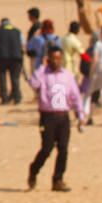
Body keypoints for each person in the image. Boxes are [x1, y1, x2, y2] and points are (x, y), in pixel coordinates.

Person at [27, 45, 86, 191]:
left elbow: (75, 96)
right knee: (47, 149)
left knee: (63, 149)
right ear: (48, 59)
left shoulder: (67, 76)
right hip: (47, 116)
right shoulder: (43, 74)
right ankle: (34, 169)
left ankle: (58, 180)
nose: (56, 61)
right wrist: (42, 67)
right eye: (53, 58)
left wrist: (80, 115)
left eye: (59, 58)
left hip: (63, 116)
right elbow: (33, 83)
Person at [0, 17, 24, 105]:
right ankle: (17, 97)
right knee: (15, 79)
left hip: (1, 58)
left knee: (2, 79)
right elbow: (23, 43)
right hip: (16, 58)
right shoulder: (17, 31)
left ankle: (4, 98)